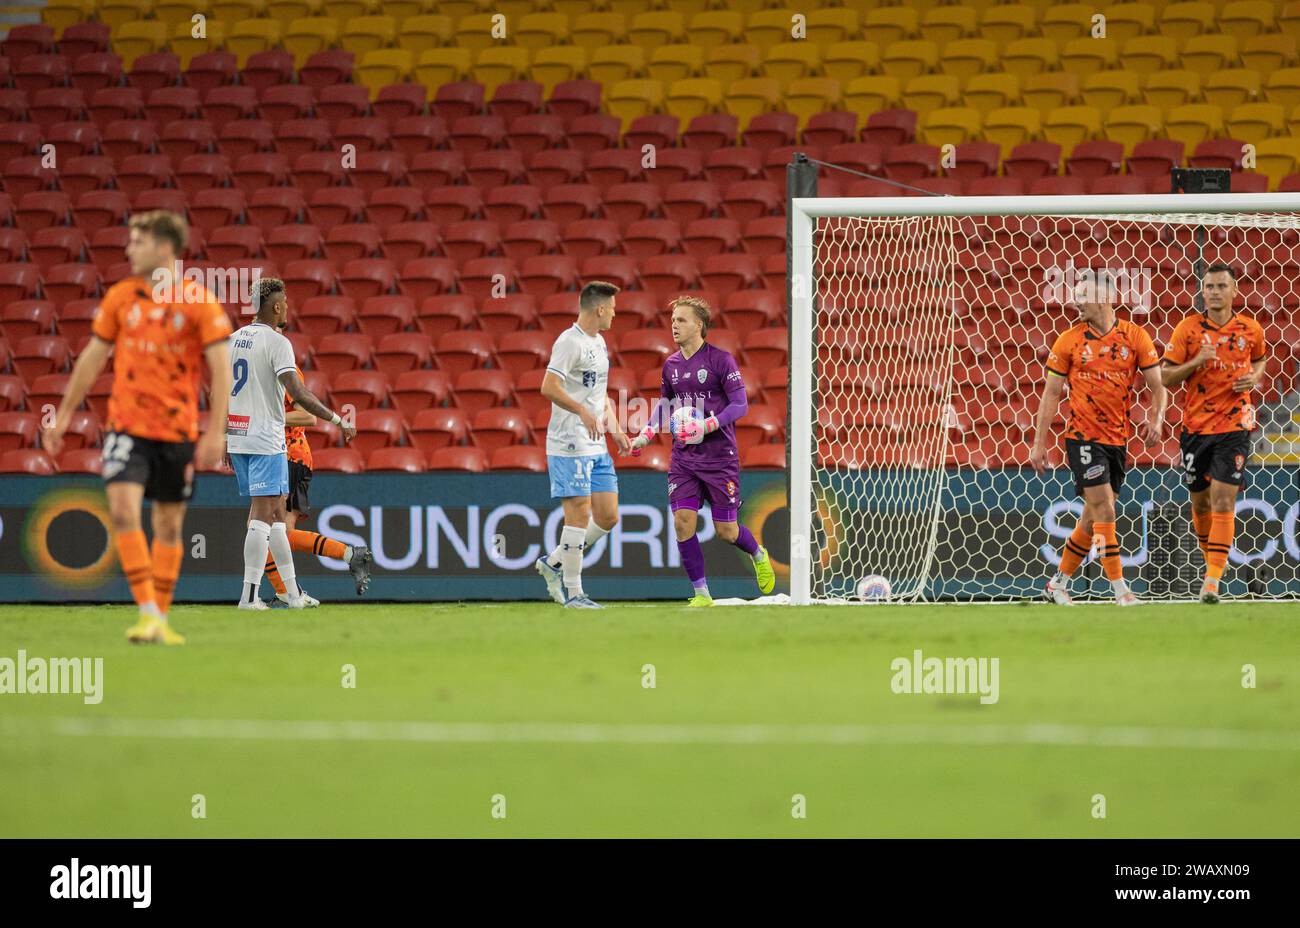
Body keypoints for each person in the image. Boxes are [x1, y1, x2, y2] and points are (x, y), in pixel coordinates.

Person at [42, 210, 232, 644]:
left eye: (138, 241)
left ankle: (159, 620)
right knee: (124, 510)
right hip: (127, 426)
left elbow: (220, 370)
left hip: (177, 430)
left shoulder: (199, 301)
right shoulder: (121, 298)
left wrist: (215, 430)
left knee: (168, 525)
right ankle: (147, 612)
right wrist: (66, 412)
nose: (129, 249)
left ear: (164, 247)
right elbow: (93, 357)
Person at [626, 296, 775, 606]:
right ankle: (701, 594)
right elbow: (666, 405)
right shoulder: (671, 365)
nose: (674, 325)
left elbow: (740, 405)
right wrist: (646, 434)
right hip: (684, 458)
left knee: (726, 531)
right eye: (673, 320)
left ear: (699, 325)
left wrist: (706, 426)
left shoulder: (721, 361)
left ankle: (758, 554)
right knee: (682, 522)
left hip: (720, 457)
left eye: (681, 320)